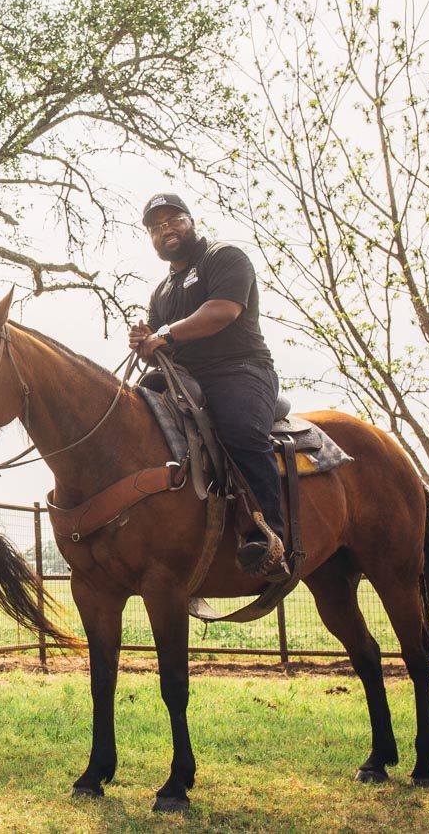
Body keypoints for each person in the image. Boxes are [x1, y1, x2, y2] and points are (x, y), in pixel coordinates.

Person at [128, 193, 289, 582]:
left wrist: (163, 334)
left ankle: (268, 536)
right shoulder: (161, 292)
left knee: (238, 429)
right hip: (185, 379)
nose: (166, 229)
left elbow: (222, 311)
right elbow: (159, 346)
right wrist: (144, 342)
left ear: (191, 221)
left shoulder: (224, 257)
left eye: (173, 220)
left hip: (240, 370)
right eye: (156, 226)